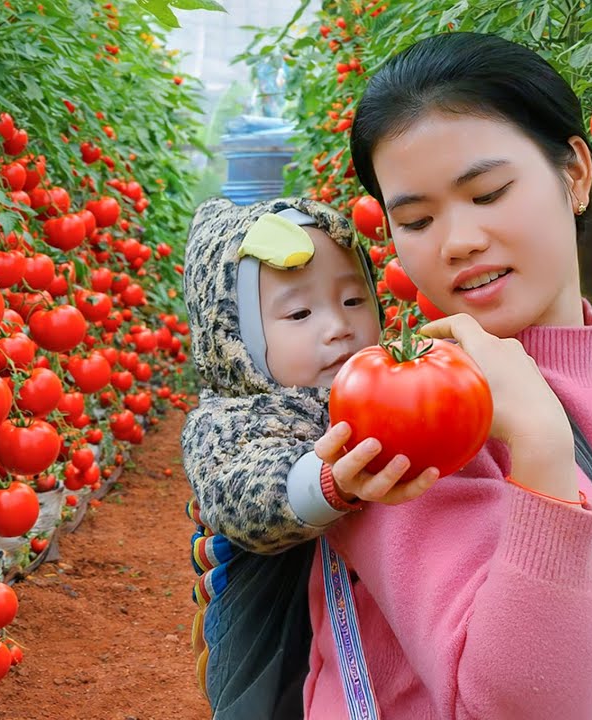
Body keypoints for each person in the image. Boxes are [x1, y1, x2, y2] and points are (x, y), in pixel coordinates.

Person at [293, 32, 592, 719]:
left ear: (576, 175)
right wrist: (542, 451)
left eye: (489, 193)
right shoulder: (404, 424)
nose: (457, 240)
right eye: (418, 218)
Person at [178, 196, 432, 719]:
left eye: (355, 301)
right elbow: (242, 493)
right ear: (235, 340)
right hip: (276, 631)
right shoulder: (231, 420)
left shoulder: (390, 388)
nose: (338, 326)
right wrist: (325, 483)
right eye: (299, 312)